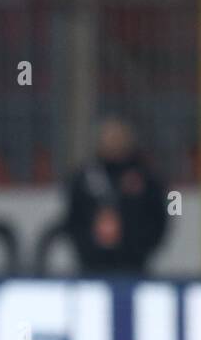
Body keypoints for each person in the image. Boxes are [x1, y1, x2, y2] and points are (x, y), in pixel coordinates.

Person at [63, 117, 168, 274]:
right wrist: (86, 247)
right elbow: (72, 217)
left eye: (118, 137)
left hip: (135, 264)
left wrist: (142, 246)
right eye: (109, 138)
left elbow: (167, 209)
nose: (113, 143)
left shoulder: (147, 177)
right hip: (91, 265)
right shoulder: (84, 176)